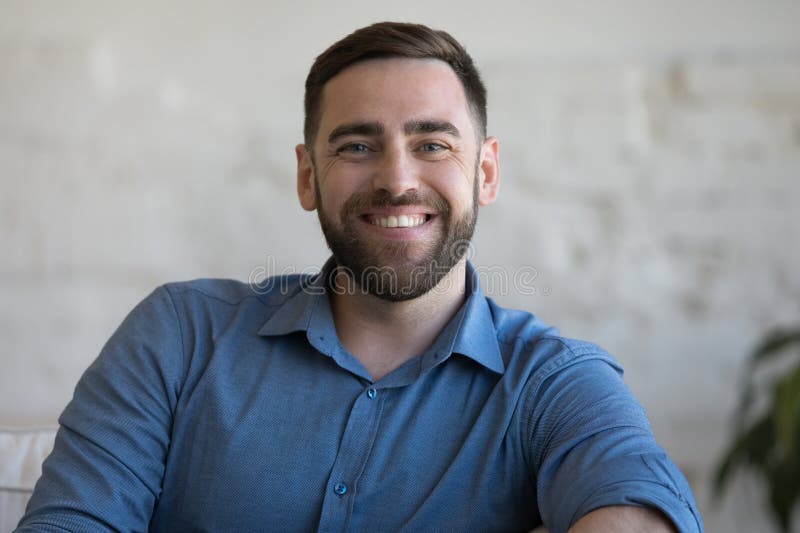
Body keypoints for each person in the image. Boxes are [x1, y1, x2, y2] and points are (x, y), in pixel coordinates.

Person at [17, 22, 703, 533]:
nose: (397, 179)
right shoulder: (179, 337)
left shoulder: (552, 382)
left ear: (485, 172)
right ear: (307, 175)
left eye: (432, 143)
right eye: (357, 145)